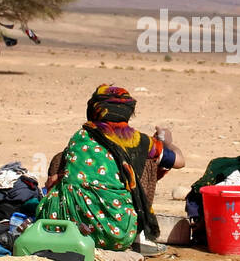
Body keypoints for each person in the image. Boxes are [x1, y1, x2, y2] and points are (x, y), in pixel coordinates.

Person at [39, 85, 185, 252]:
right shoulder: (139, 141)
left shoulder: (81, 136)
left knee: (62, 158)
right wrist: (167, 142)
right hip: (114, 234)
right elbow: (179, 161)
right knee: (148, 162)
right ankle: (140, 237)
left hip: (61, 225)